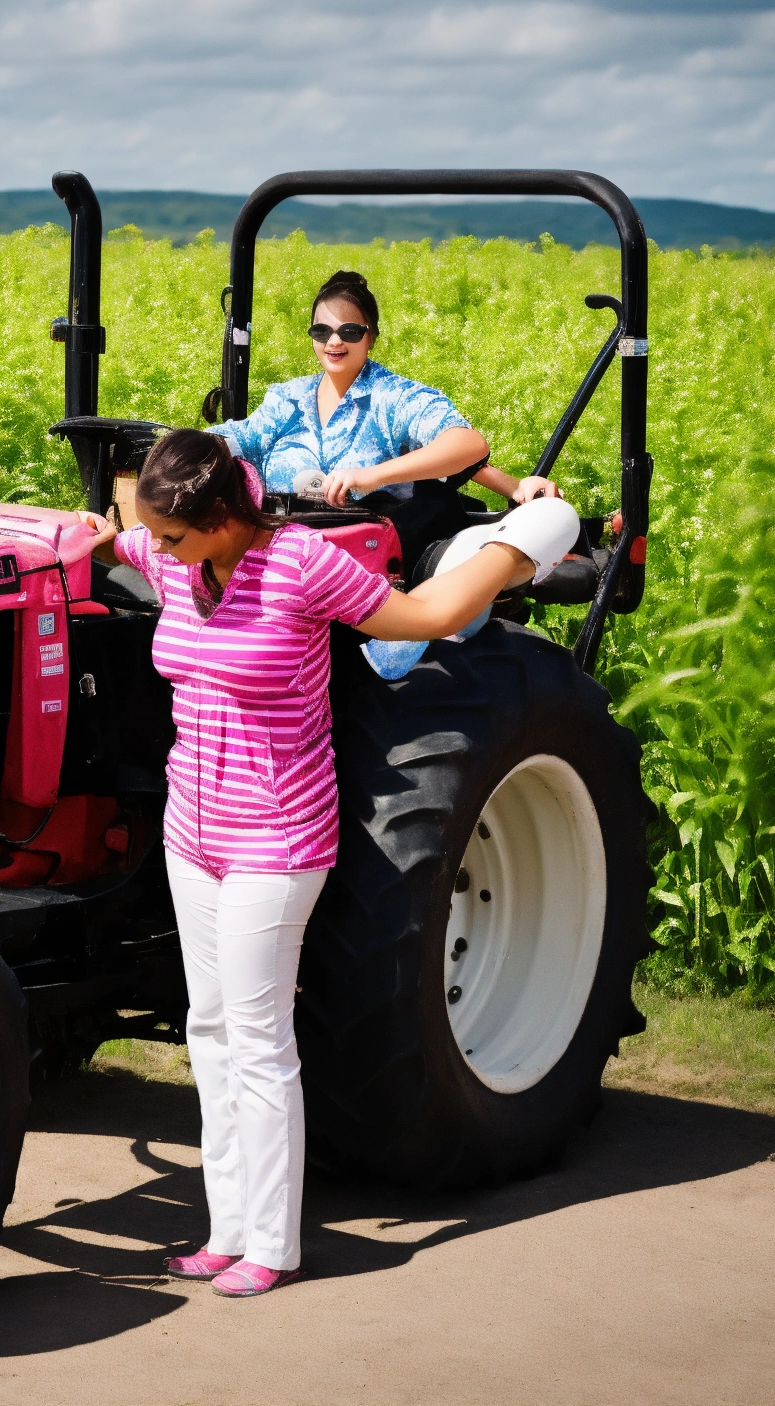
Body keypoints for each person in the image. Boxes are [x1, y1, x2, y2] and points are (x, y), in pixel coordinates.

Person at [81, 427, 576, 1299]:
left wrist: (517, 543)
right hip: (192, 833)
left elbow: (426, 616)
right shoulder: (172, 561)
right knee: (210, 1028)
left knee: (261, 1039)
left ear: (227, 516)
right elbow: (105, 539)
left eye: (171, 535)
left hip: (275, 839)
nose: (154, 552)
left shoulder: (302, 564)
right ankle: (223, 1229)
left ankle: (273, 1243)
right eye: (153, 536)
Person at [209, 268, 570, 679]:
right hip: (280, 563)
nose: (334, 341)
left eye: (349, 330)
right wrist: (185, 447)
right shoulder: (287, 399)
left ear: (371, 335)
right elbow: (241, 436)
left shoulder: (392, 397)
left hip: (370, 570)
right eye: (321, 330)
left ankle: (400, 642)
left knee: (533, 527)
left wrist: (372, 475)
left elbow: (467, 447)